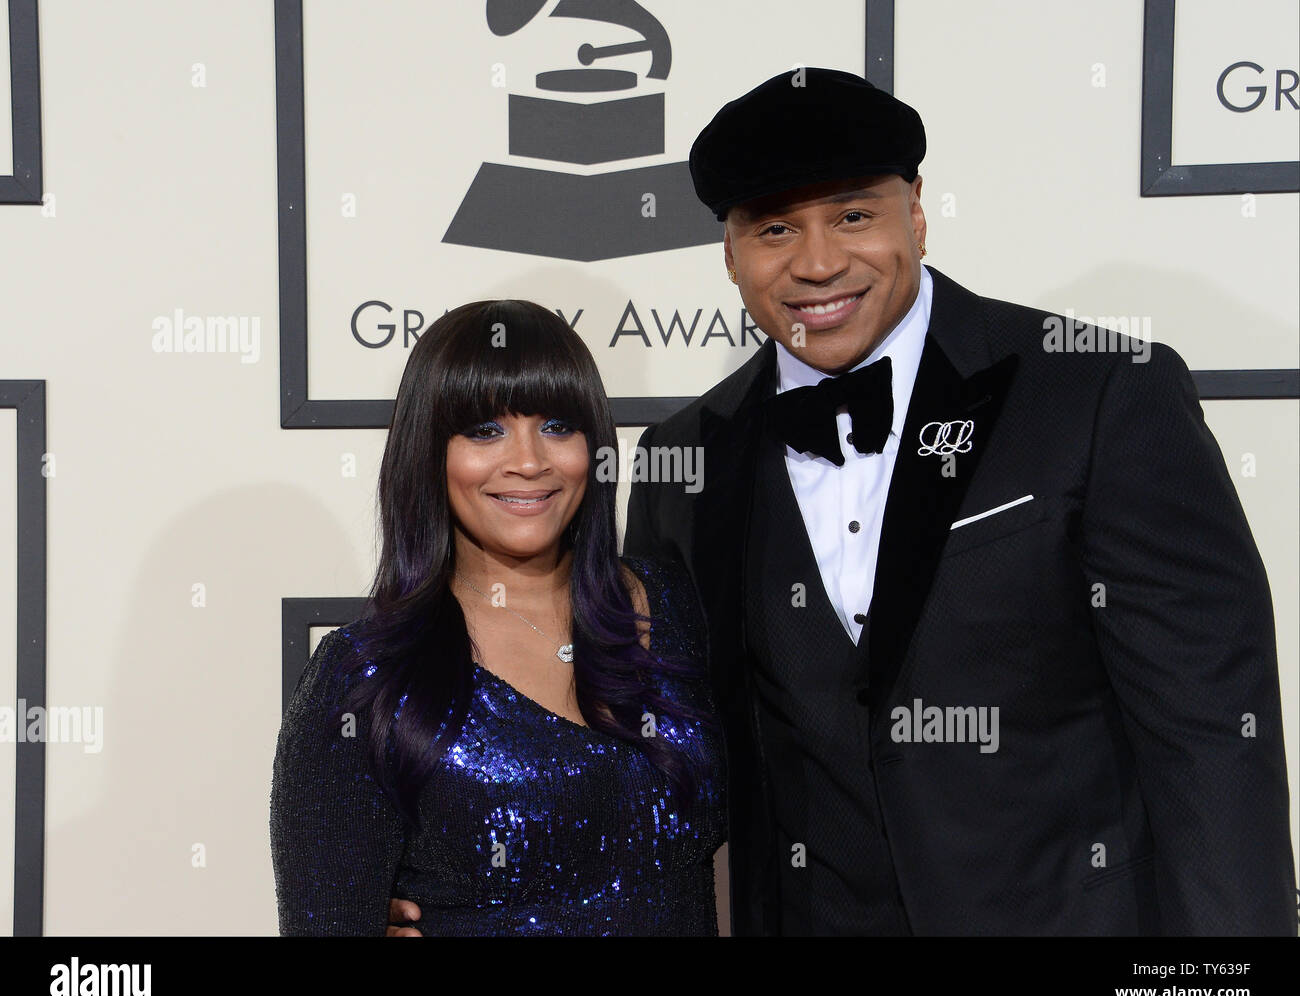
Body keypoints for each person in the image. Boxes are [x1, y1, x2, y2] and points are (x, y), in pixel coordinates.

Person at [619, 68, 1296, 935]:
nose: (818, 262)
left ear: (918, 213)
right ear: (730, 252)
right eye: (776, 229)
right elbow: (665, 751)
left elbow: (1212, 737)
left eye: (854, 215)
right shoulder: (685, 458)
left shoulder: (1098, 395)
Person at [270, 299, 725, 936]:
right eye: (485, 431)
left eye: (558, 426)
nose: (529, 461)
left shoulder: (671, 605)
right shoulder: (362, 678)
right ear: (429, 453)